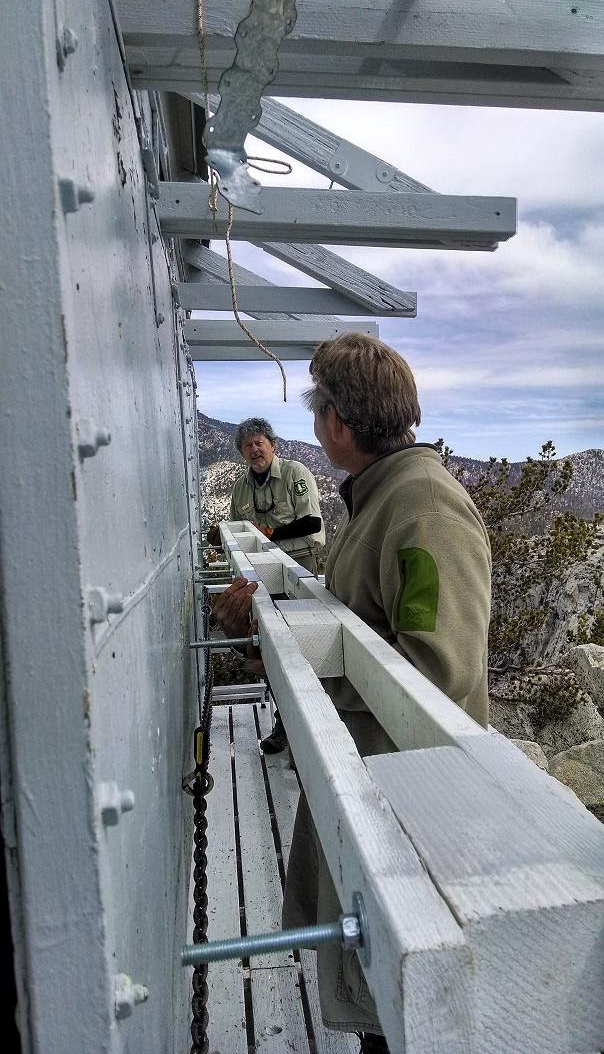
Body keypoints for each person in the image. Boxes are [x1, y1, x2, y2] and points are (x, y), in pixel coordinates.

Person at [214, 336, 491, 1052]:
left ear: (335, 421)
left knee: (396, 1004)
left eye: (317, 412)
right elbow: (356, 625)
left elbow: (437, 671)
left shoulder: (423, 509)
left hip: (405, 797)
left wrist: (289, 654)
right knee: (375, 989)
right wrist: (270, 634)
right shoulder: (383, 497)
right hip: (369, 776)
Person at [208, 416, 325, 753]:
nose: (254, 449)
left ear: (273, 445)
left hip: (298, 569)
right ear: (242, 452)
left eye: (259, 442)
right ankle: (284, 723)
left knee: (303, 647)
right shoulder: (241, 488)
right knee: (269, 650)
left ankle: (315, 725)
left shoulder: (294, 473)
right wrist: (221, 536)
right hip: (259, 576)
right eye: (247, 445)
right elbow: (237, 530)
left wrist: (271, 533)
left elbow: (312, 522)